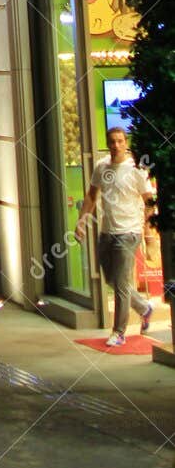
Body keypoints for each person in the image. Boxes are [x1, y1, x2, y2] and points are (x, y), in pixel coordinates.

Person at [76, 127, 156, 347]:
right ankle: (143, 307)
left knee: (121, 284)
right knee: (111, 279)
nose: (116, 145)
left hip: (129, 232)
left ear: (126, 142)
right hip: (107, 231)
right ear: (108, 143)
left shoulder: (136, 169)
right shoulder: (102, 167)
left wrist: (147, 230)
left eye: (120, 141)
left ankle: (119, 332)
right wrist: (81, 222)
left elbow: (149, 199)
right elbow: (92, 196)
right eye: (112, 141)